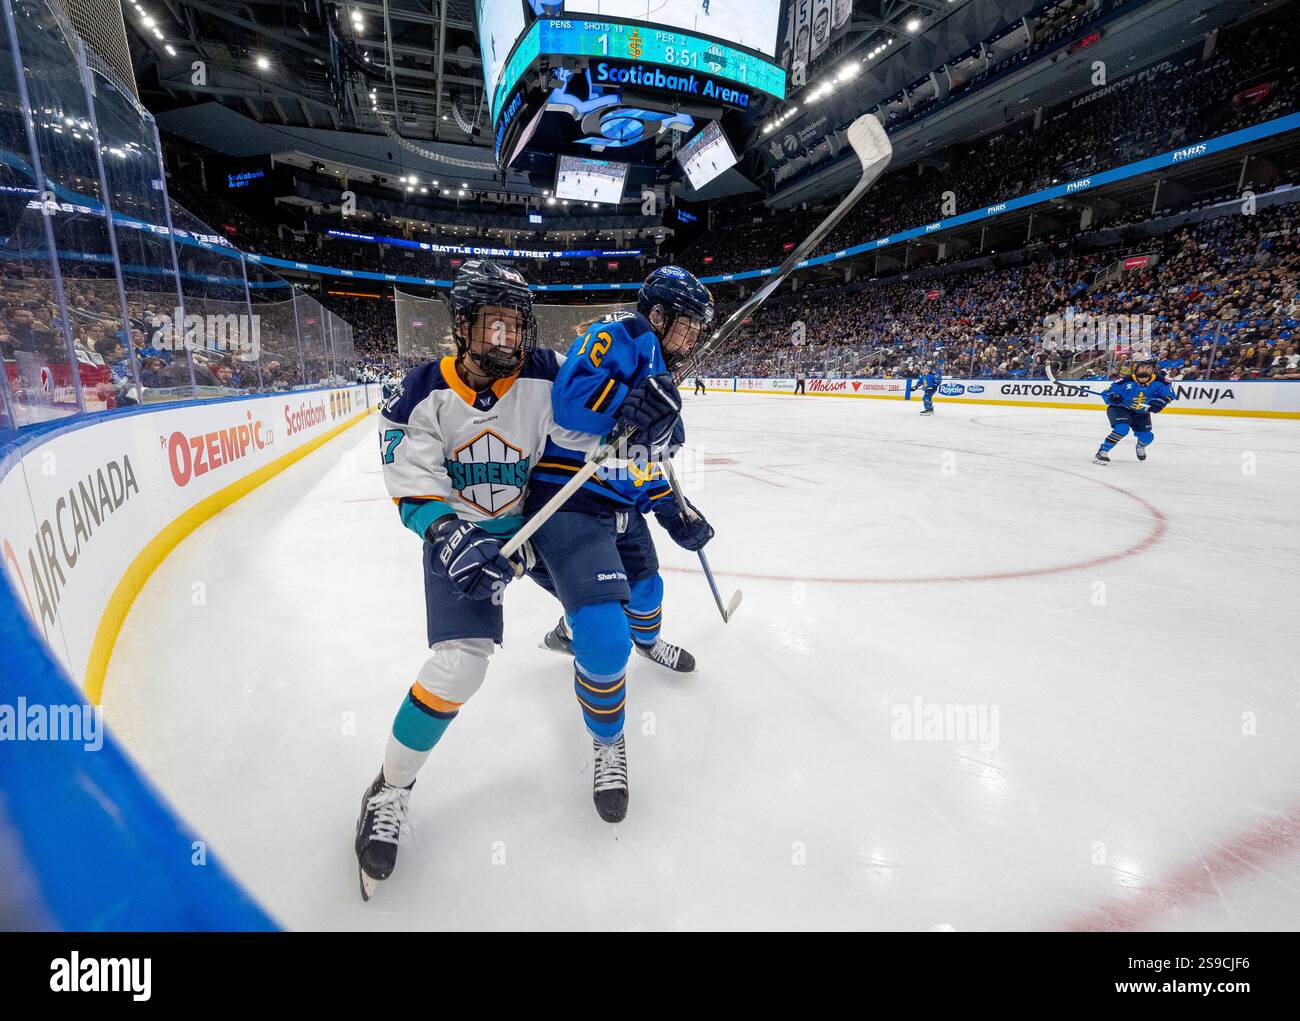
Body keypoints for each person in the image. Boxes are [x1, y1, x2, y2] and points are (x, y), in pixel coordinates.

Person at [353, 259, 588, 899]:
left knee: (601, 605)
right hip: (460, 536)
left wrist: (648, 408)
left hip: (533, 524)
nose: (507, 340)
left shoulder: (547, 374)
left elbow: (595, 423)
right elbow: (414, 486)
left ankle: (572, 624)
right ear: (463, 327)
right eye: (493, 326)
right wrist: (447, 533)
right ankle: (391, 786)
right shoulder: (419, 393)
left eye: (516, 326)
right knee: (460, 666)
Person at [524, 266, 716, 824]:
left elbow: (642, 458)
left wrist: (673, 509)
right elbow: (572, 402)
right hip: (572, 501)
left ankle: (638, 639)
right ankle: (608, 742)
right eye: (686, 328)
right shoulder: (618, 336)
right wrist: (626, 405)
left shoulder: (664, 373)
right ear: (658, 315)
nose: (692, 339)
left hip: (621, 504)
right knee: (607, 641)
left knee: (650, 591)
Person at [1092, 354, 1176, 464]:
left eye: (1148, 367)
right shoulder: (1124, 381)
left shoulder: (1161, 382)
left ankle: (1140, 446)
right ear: (1136, 367)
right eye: (1142, 367)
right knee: (1122, 429)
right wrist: (1113, 398)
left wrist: (1159, 403)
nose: (1145, 369)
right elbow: (1106, 394)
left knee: (1148, 437)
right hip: (1120, 408)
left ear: (1153, 369)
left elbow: (1169, 395)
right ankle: (1102, 452)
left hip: (1141, 412)